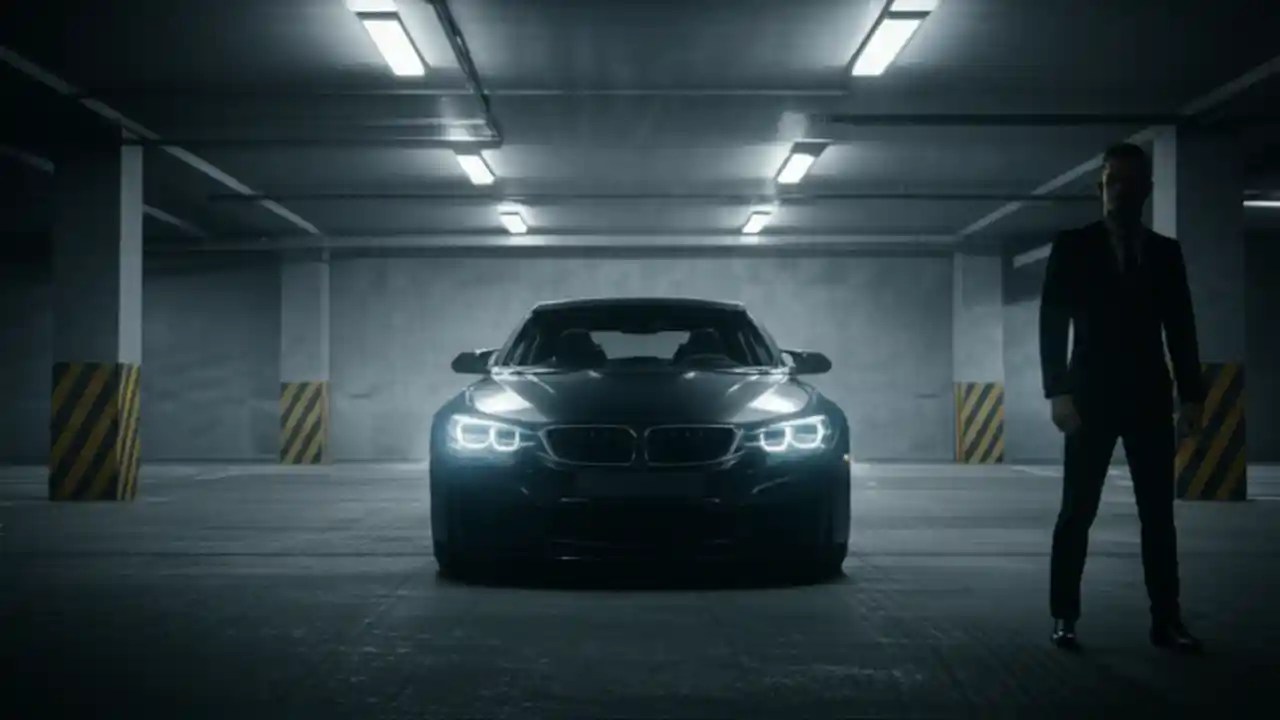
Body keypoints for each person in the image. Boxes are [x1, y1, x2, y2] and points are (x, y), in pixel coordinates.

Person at [1038, 141, 1206, 652]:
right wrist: (1058, 392)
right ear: (1101, 187)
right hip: (1089, 397)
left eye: (1131, 183)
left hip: (1149, 396)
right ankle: (1064, 615)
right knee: (1076, 512)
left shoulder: (1165, 253)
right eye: (1114, 182)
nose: (1122, 192)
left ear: (1147, 189)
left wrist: (1192, 396)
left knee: (1158, 515)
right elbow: (1052, 322)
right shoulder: (1074, 246)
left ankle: (1167, 620)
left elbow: (1181, 326)